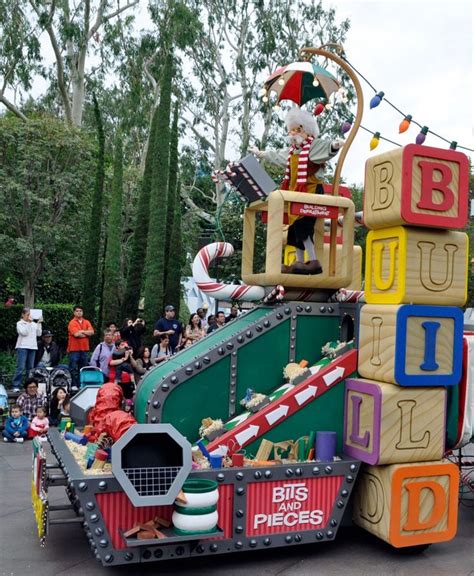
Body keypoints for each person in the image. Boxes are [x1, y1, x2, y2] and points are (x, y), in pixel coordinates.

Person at [250, 106, 343, 275]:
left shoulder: (313, 147)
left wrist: (335, 146)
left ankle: (314, 261)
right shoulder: (291, 152)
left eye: (297, 130)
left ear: (306, 130)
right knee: (294, 230)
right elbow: (276, 155)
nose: (294, 133)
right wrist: (260, 154)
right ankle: (300, 262)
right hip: (296, 195)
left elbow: (327, 148)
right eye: (291, 130)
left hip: (311, 193)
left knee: (303, 227)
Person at [12, 307, 43, 392]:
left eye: (30, 314)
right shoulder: (19, 323)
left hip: (32, 347)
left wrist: (39, 323)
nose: (29, 316)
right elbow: (24, 333)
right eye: (27, 314)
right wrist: (29, 323)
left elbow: (39, 334)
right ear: (23, 315)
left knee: (30, 368)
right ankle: (16, 385)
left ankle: (28, 386)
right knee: (20, 367)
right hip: (22, 347)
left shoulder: (33, 324)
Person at [67, 305, 94, 391]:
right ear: (74, 312)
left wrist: (82, 331)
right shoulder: (72, 322)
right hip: (74, 349)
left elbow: (92, 332)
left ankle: (82, 384)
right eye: (77, 311)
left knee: (84, 367)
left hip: (85, 349)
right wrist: (86, 333)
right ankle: (74, 385)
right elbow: (76, 334)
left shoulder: (87, 322)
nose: (79, 312)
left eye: (80, 311)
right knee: (74, 368)